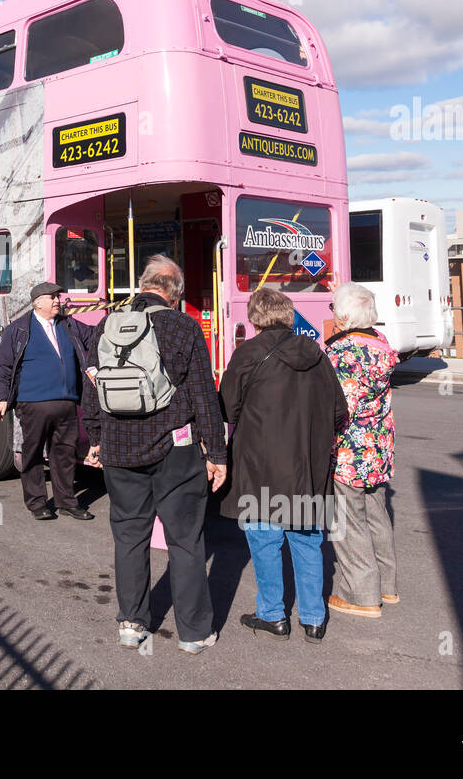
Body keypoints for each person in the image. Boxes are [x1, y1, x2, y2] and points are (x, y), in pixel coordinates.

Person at [82, 257, 227, 655]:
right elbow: (203, 395)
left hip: (119, 448)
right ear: (173, 293)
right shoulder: (183, 327)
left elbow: (91, 388)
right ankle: (194, 633)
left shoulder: (106, 326)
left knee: (129, 536)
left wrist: (95, 438)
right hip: (175, 450)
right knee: (185, 540)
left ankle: (131, 624)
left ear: (143, 285)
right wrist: (216, 451)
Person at [219, 286, 347, 645]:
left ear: (255, 317)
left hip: (260, 465)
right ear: (288, 315)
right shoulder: (318, 354)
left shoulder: (247, 354)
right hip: (308, 465)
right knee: (308, 541)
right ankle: (313, 619)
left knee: (264, 542)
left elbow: (227, 409)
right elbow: (339, 412)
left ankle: (272, 615)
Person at [0, 282, 97, 521]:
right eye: (52, 297)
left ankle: (66, 502)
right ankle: (37, 503)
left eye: (58, 296)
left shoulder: (68, 325)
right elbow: (3, 366)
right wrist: (1, 397)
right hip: (32, 403)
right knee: (33, 455)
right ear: (38, 302)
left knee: (65, 454)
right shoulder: (19, 329)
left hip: (67, 403)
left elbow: (95, 336)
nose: (58, 300)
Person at [325, 282, 398, 619]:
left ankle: (363, 595)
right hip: (378, 447)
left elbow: (341, 408)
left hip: (350, 451)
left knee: (348, 521)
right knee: (376, 514)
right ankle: (387, 585)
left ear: (343, 317)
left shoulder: (344, 352)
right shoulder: (380, 344)